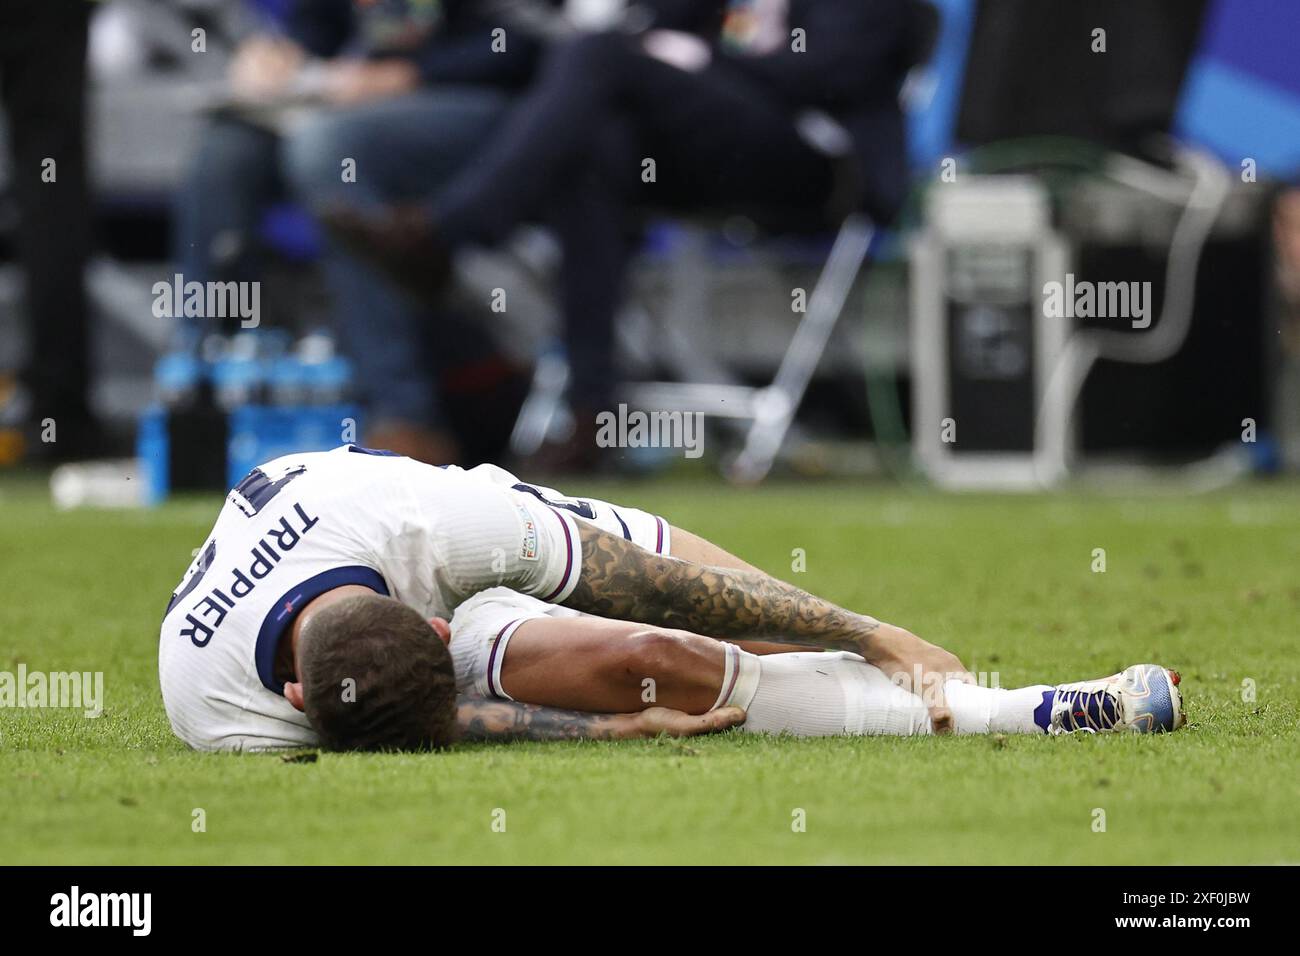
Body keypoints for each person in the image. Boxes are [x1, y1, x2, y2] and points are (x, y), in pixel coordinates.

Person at [158, 445, 1186, 751]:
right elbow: (425, 721)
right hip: (370, 607)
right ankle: (1024, 709)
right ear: (296, 697)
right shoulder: (212, 710)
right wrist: (592, 726)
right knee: (628, 668)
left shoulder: (445, 526)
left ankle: (929, 685)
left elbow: (655, 571)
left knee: (669, 612)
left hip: (439, 527)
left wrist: (874, 633)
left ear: (437, 622)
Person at [324, 0, 916, 468]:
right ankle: (592, 417)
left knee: (599, 55)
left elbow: (838, 69)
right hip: (712, 146)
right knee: (592, 148)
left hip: (818, 158)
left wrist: (703, 61)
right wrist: (673, 49)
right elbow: (657, 24)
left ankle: (450, 231)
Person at [173, 0, 545, 463]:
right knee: (226, 152)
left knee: (327, 151)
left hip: (503, 108)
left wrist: (411, 74)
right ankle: (198, 389)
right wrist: (277, 56)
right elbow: (323, 29)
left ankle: (404, 415)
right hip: (351, 104)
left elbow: (536, 40)